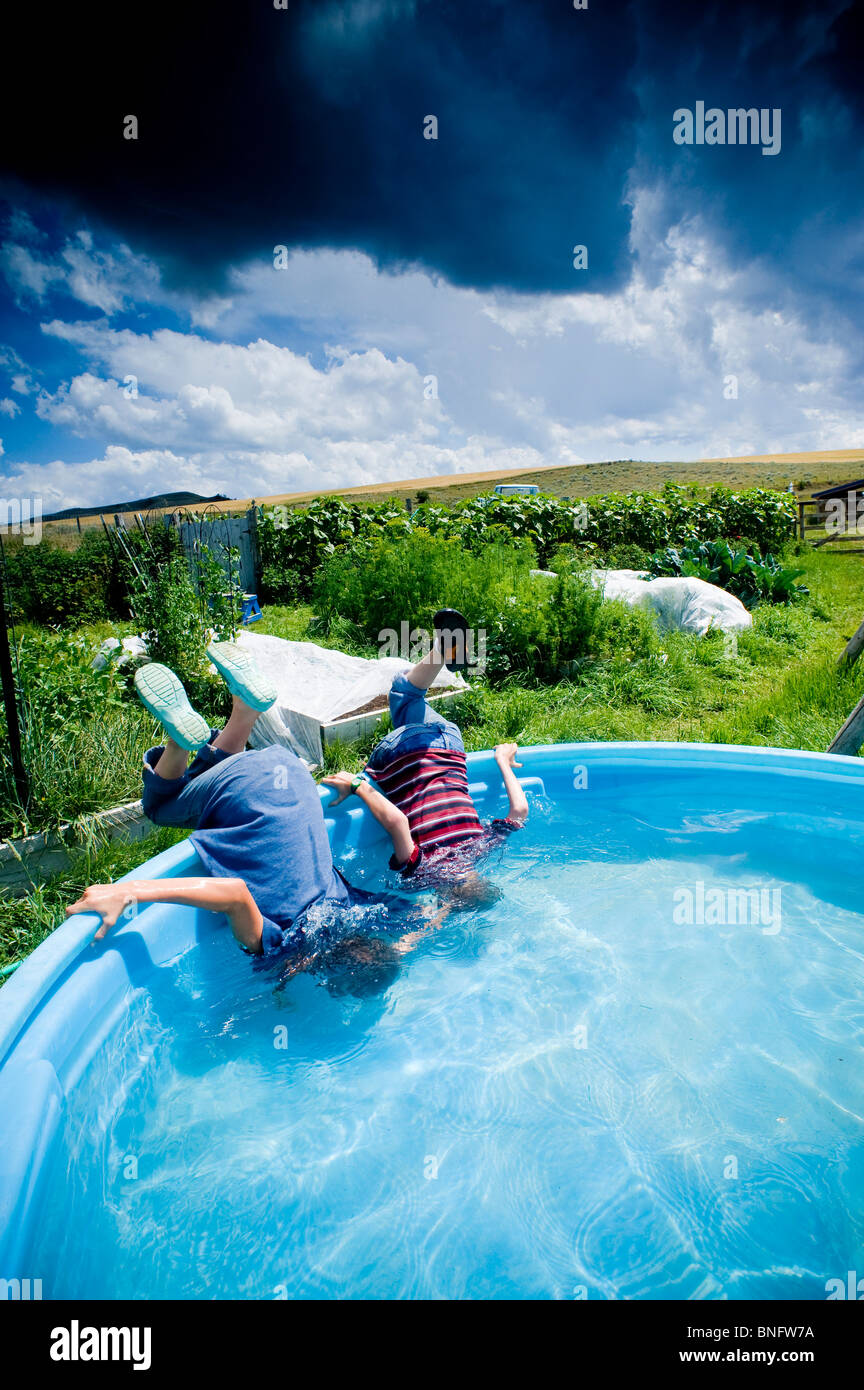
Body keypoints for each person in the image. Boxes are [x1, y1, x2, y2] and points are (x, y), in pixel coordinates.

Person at [67, 643, 449, 995]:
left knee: (209, 780)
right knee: (161, 808)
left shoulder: (360, 913)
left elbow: (430, 916)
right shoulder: (283, 944)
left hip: (292, 774)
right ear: (329, 978)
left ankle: (244, 713)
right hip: (247, 788)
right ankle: (179, 742)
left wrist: (395, 953)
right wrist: (128, 890)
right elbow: (234, 895)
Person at [323, 609, 529, 900]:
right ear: (445, 898)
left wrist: (503, 761)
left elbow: (519, 812)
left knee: (407, 698)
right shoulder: (422, 869)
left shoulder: (482, 847)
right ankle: (444, 651)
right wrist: (357, 785)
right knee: (401, 697)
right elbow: (397, 822)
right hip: (397, 757)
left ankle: (444, 650)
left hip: (448, 745)